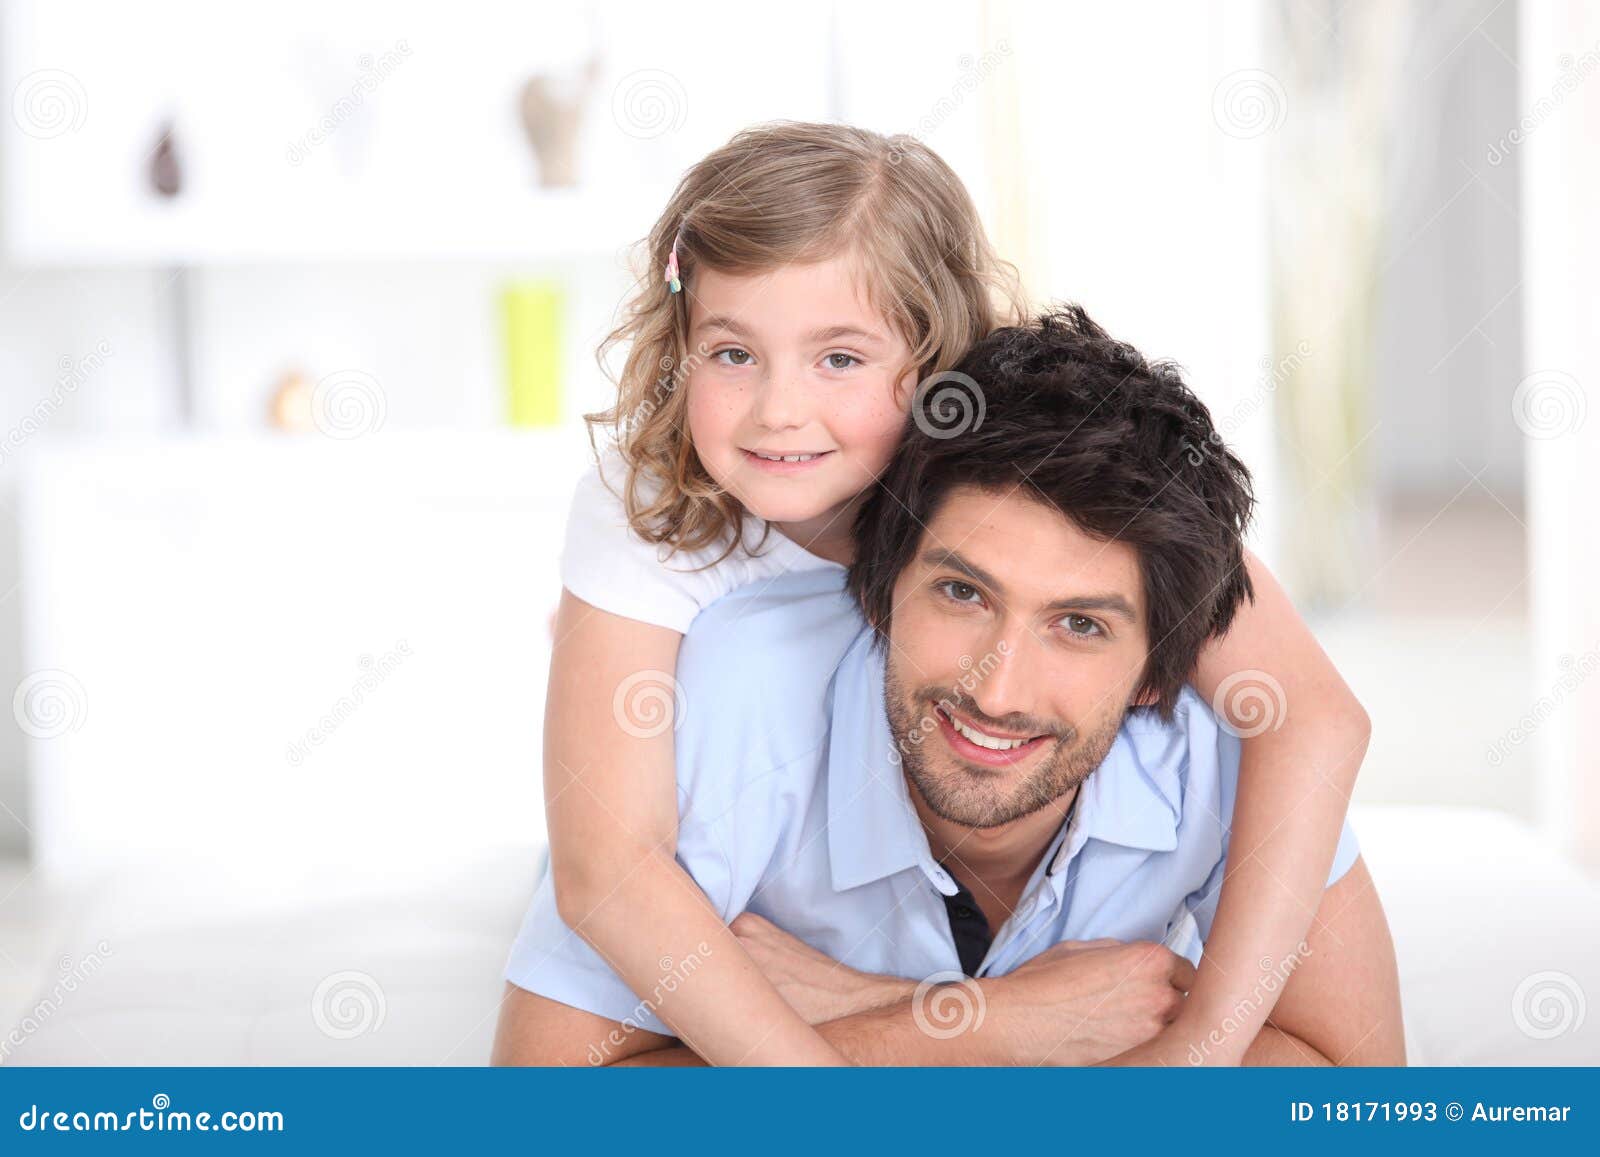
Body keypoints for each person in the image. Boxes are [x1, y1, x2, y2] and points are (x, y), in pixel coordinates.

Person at [540, 121, 1373, 1066]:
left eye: (839, 359)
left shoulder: (1026, 477)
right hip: (693, 857)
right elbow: (608, 868)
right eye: (732, 354)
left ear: (934, 361)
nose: (778, 409)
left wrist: (1200, 1052)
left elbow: (1313, 714)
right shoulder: (647, 511)